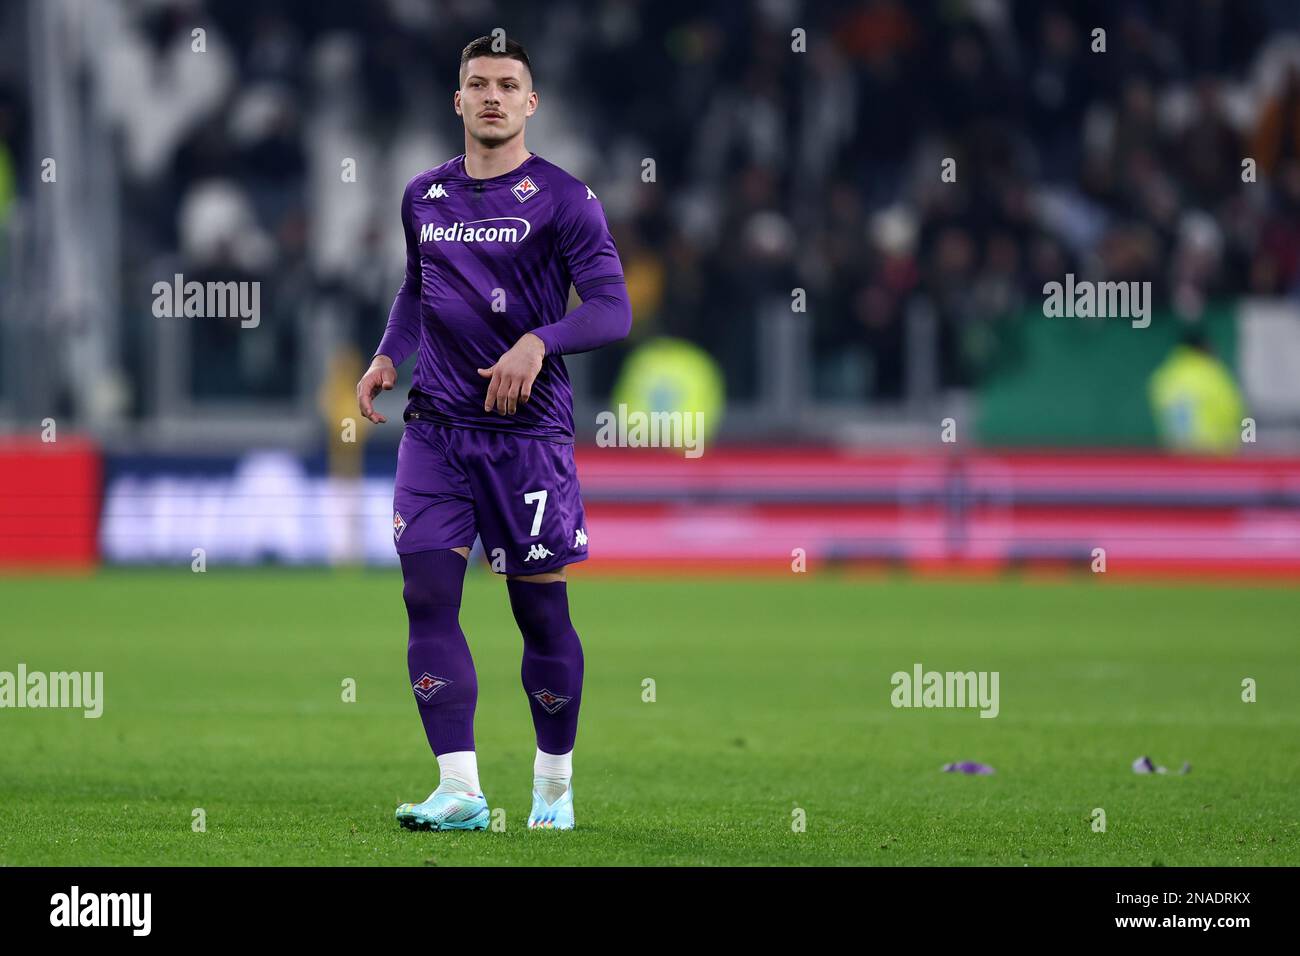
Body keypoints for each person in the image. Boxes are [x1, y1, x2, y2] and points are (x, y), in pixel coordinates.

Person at [355, 36, 632, 831]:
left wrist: (540, 338)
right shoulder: (422, 197)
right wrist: (386, 355)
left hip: (527, 438)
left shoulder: (565, 199)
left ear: (531, 103)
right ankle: (461, 791)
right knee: (426, 595)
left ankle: (552, 787)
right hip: (436, 429)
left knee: (539, 616)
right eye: (477, 83)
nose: (492, 97)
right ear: (457, 100)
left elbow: (614, 309)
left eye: (509, 85)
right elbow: (417, 287)